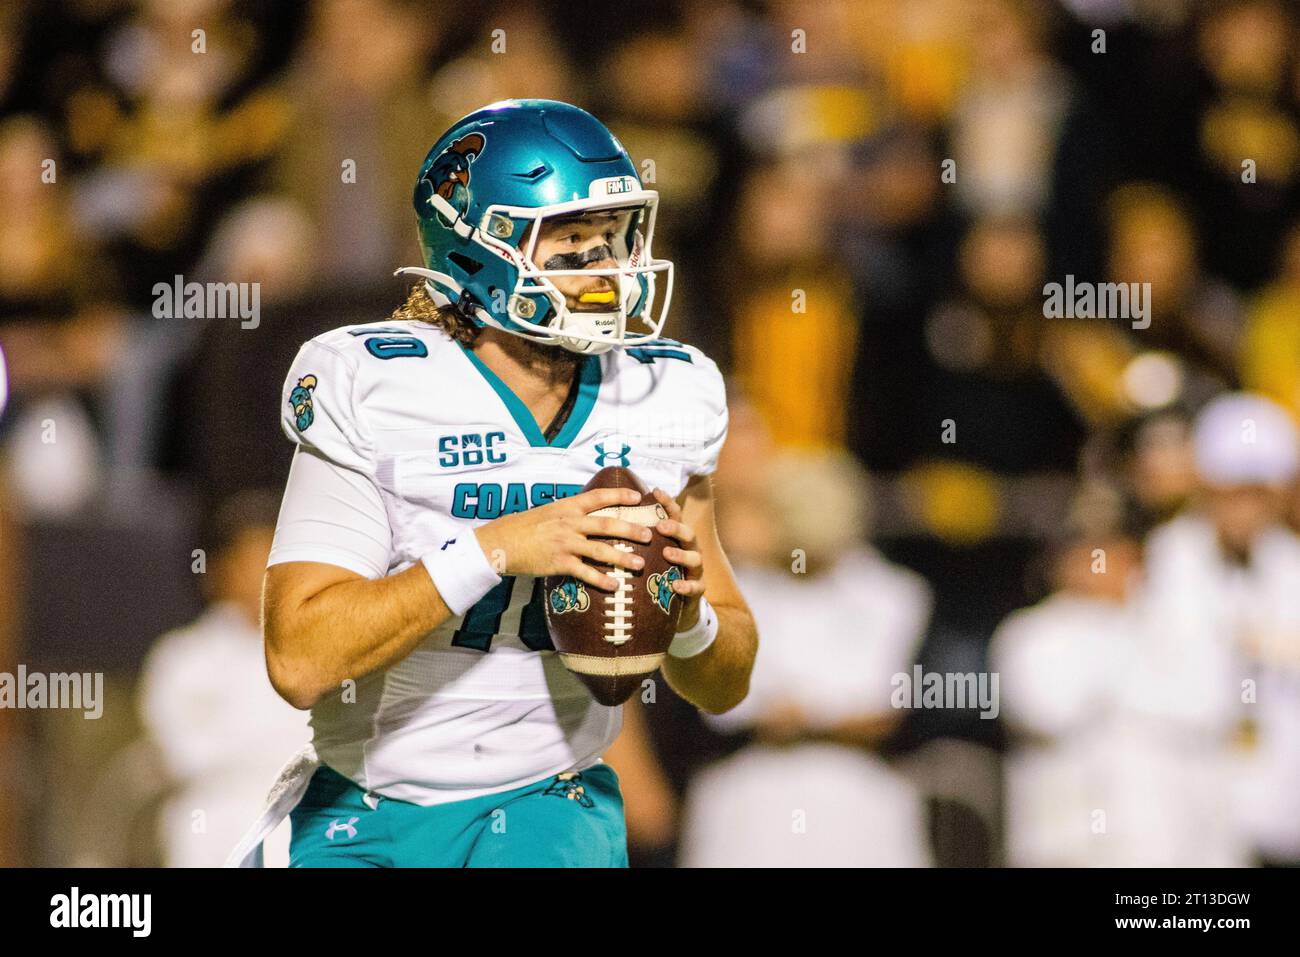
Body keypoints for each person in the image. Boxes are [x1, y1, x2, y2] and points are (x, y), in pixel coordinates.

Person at [236, 100, 757, 868]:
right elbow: (300, 660)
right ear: (480, 246)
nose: (606, 266)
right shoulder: (381, 383)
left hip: (550, 799)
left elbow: (726, 680)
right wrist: (495, 548)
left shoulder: (662, 395)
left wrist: (684, 616)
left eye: (613, 237)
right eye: (572, 242)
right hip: (369, 802)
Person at [680, 449, 932, 867]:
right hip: (752, 790)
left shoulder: (891, 594)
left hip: (854, 792)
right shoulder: (737, 588)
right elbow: (716, 702)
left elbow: (884, 709)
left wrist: (806, 716)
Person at [138, 491, 308, 867]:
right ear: (220, 571)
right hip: (212, 823)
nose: (261, 577)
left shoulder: (322, 653)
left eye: (272, 560)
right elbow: (183, 756)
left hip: (300, 821)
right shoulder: (183, 658)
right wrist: (271, 742)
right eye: (249, 562)